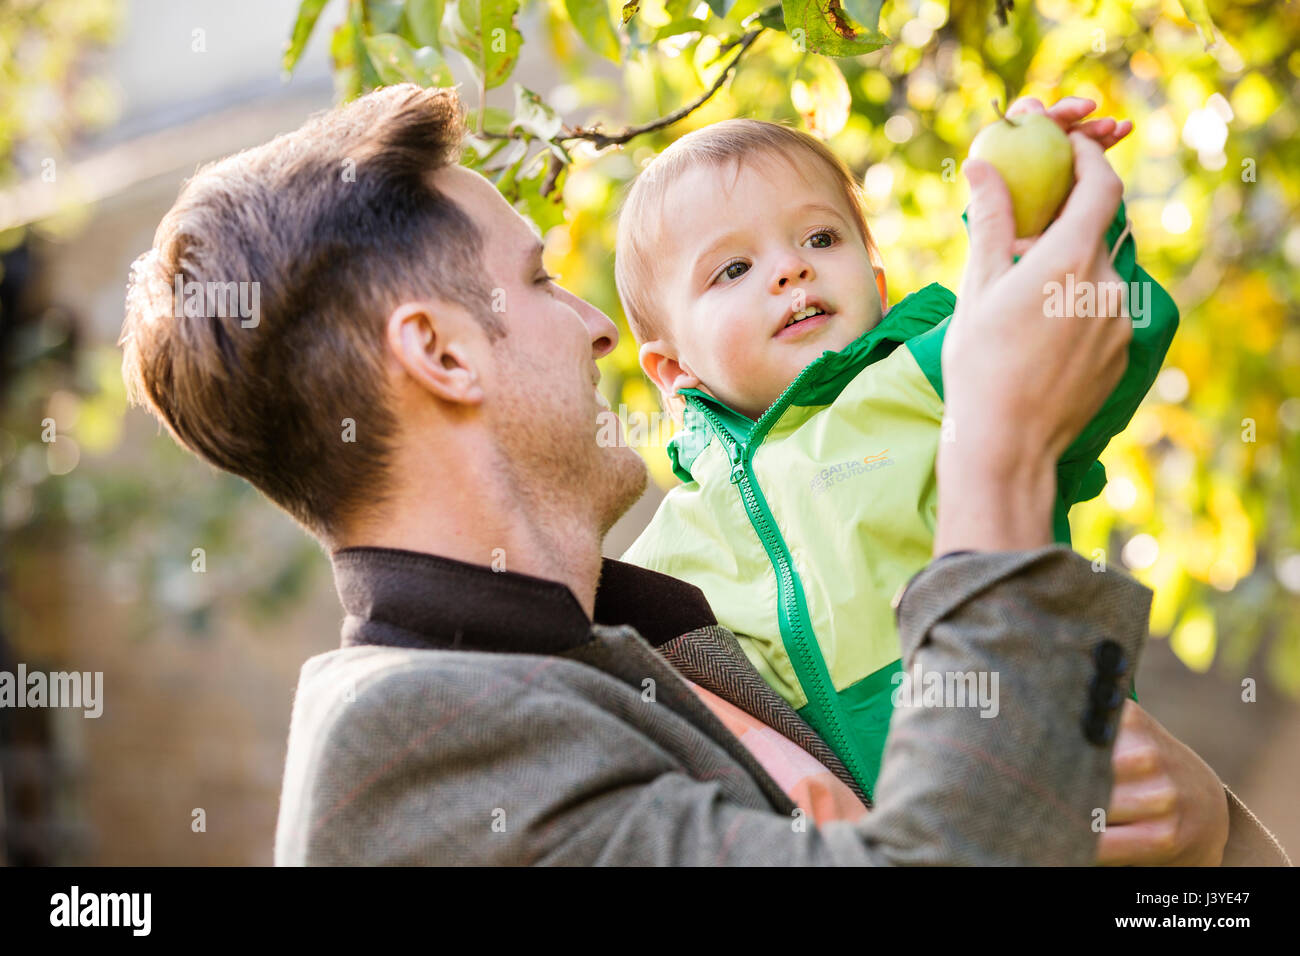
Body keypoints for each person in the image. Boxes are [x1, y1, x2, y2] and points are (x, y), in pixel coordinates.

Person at [117, 84, 1287, 865]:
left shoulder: (670, 642)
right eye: (538, 283)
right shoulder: (406, 745)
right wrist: (997, 449)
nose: (596, 329)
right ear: (438, 350)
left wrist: (1206, 848)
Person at [615, 102, 1178, 801]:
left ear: (876, 284)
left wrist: (1041, 221)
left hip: (1047, 791)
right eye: (732, 269)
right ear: (674, 372)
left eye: (820, 238)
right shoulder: (663, 561)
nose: (791, 269)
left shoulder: (936, 373)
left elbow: (1089, 323)